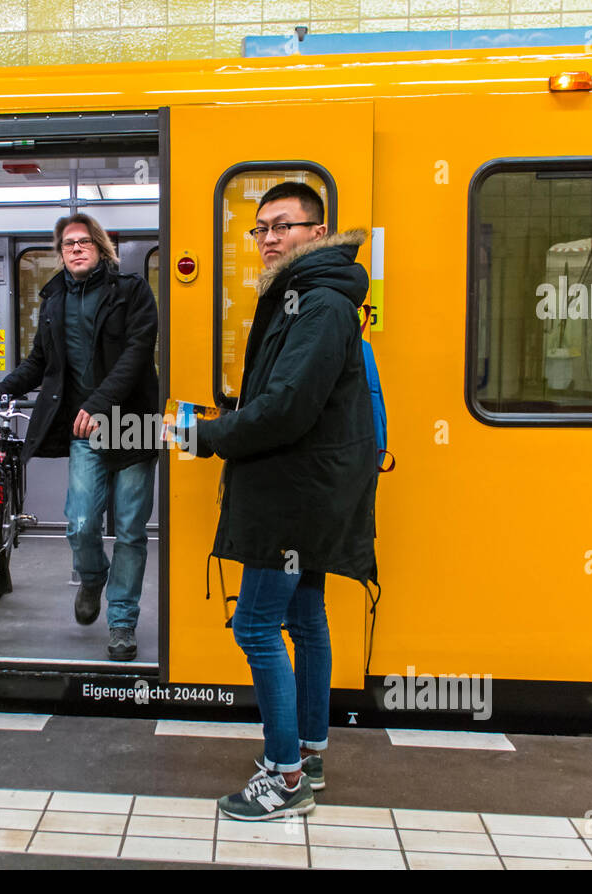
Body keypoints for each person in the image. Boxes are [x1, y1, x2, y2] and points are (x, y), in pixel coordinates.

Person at [191, 182, 375, 820]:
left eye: (283, 226)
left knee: (256, 625)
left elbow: (288, 409)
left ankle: (286, 777)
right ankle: (311, 752)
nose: (268, 237)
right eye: (260, 228)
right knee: (304, 620)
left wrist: (207, 434)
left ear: (317, 233)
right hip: (309, 489)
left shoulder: (318, 304)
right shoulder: (313, 298)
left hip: (293, 494)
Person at [0, 213, 159, 661]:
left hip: (131, 422)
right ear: (60, 253)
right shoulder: (54, 299)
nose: (75, 248)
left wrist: (97, 404)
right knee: (80, 523)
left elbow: (137, 355)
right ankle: (93, 577)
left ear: (99, 247)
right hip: (85, 428)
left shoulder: (132, 291)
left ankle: (121, 621)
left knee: (131, 532)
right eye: (67, 244)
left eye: (83, 241)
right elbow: (39, 363)